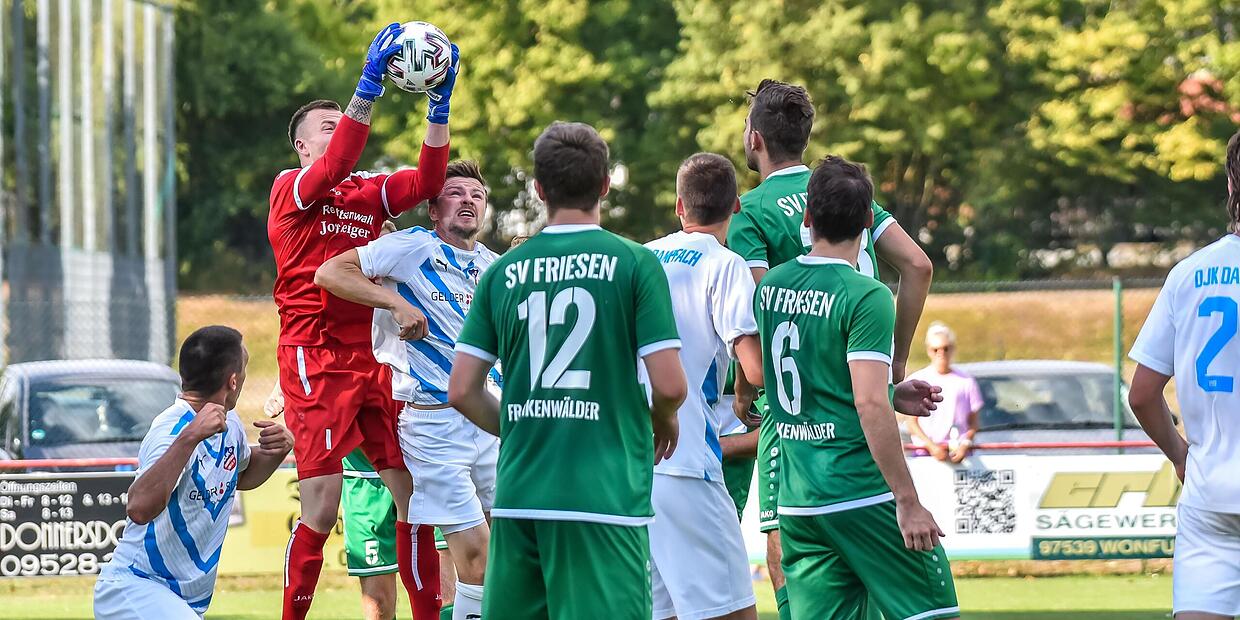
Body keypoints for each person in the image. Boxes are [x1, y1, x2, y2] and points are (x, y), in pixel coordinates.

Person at [447, 121, 688, 619]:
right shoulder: (635, 264)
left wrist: (519, 426)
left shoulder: (500, 273)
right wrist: (662, 417)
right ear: (604, 185)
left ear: (538, 189)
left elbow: (463, 390)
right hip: (603, 497)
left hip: (519, 496)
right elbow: (670, 385)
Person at [267, 23, 459, 620]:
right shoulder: (292, 189)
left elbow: (428, 183)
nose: (338, 131)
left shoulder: (365, 192)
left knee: (414, 497)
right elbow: (338, 161)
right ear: (301, 147)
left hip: (376, 360)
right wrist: (367, 88)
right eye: (324, 127)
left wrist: (439, 107)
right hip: (315, 359)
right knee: (321, 507)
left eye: (339, 122)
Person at [725, 78, 935, 619]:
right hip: (864, 394)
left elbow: (757, 310)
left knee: (787, 552)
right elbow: (917, 265)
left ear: (754, 140)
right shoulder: (848, 193)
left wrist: (747, 385)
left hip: (799, 416)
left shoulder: (749, 211)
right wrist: (895, 360)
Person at [757, 156, 958, 620]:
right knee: (933, 611)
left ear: (807, 217)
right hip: (859, 495)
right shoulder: (865, 294)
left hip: (800, 503)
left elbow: (807, 384)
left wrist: (891, 395)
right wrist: (907, 503)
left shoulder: (771, 287)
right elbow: (866, 401)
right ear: (869, 221)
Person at [316, 160, 501, 620]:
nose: (467, 201)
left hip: (494, 420)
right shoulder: (412, 246)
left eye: (476, 195)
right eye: (455, 193)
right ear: (434, 210)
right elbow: (330, 273)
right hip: (434, 422)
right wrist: (395, 302)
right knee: (474, 554)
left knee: (513, 548)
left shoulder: (495, 267)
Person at [94, 326, 294, 619]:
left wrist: (276, 452)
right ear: (233, 381)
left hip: (180, 600)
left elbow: (240, 477)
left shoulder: (231, 424)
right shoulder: (171, 430)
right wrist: (189, 437)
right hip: (136, 587)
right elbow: (138, 508)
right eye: (246, 366)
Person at [643, 153, 763, 620]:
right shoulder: (725, 263)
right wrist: (746, 394)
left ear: (679, 207)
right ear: (735, 206)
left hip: (634, 464)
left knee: (662, 611)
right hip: (688, 458)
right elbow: (751, 367)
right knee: (733, 610)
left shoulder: (642, 256)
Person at [1128, 129, 1240, 620]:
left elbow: (1143, 393)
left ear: (1232, 186)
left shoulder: (1189, 273)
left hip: (1210, 495)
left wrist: (1180, 455)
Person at [906, 322, 983, 462]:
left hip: (958, 453)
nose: (941, 353)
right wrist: (932, 447)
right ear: (929, 350)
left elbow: (973, 422)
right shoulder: (918, 380)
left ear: (952, 349)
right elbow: (911, 423)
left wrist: (965, 444)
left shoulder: (966, 381)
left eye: (945, 349)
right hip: (925, 454)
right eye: (936, 349)